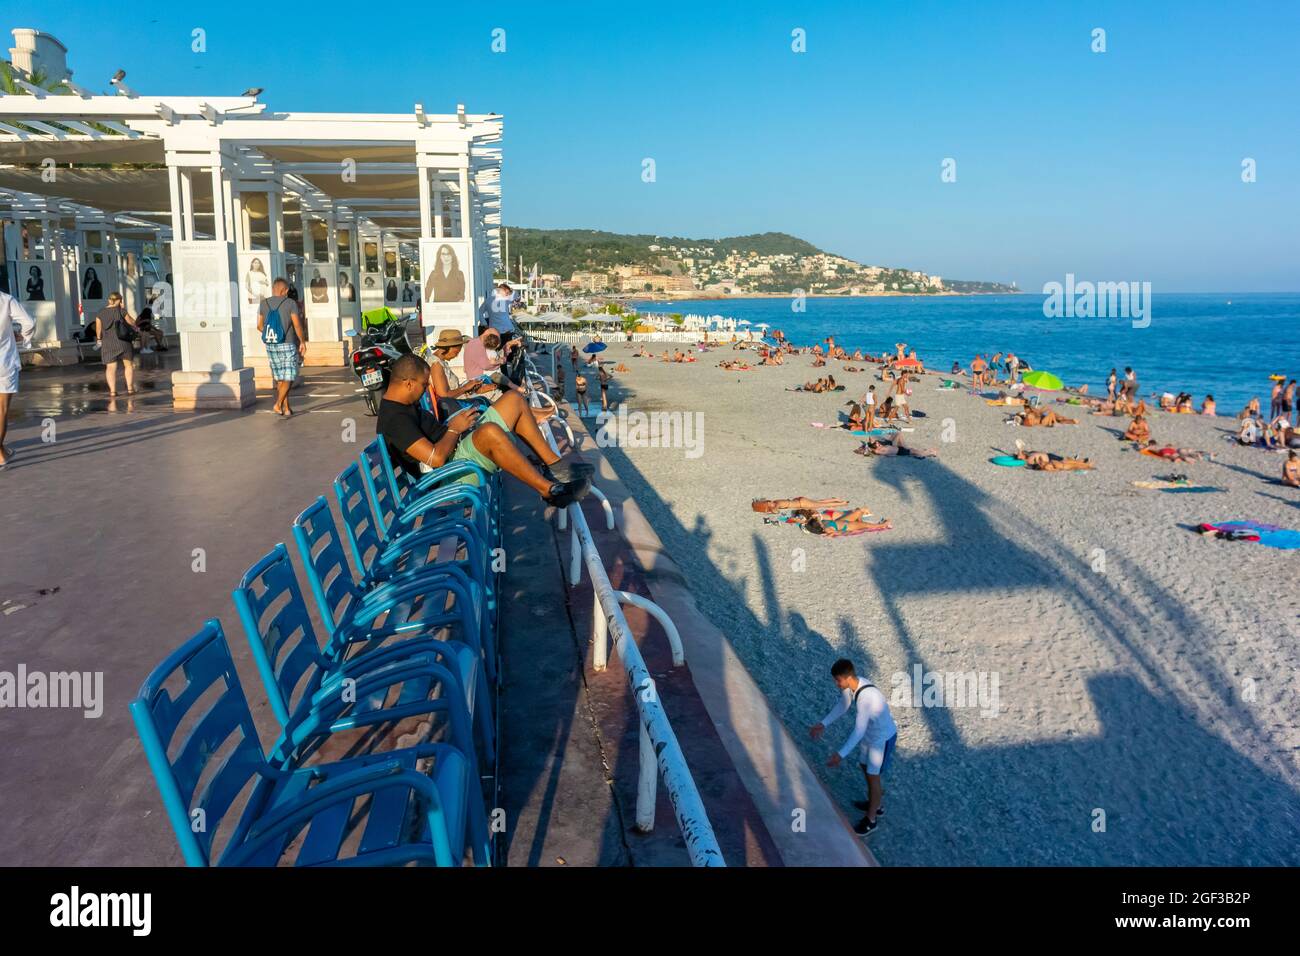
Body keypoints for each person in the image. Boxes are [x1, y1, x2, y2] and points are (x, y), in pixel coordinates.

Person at [376, 353, 590, 506]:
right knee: (489, 432)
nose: (425, 391)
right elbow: (435, 459)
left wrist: (458, 425)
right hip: (446, 478)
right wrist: (454, 429)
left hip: (456, 449)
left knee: (514, 399)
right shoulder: (395, 419)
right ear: (408, 383)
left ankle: (555, 466)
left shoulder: (403, 405)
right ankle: (549, 492)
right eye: (423, 385)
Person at [810, 659, 898, 835]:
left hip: (882, 738)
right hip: (871, 735)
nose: (836, 684)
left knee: (873, 777)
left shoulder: (865, 697)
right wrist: (823, 723)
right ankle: (876, 803)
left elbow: (858, 730)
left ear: (847, 677)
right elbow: (844, 705)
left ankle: (871, 820)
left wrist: (840, 754)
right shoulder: (853, 685)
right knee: (865, 767)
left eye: (838, 680)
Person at [257, 277, 306, 417]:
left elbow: (259, 326)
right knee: (289, 377)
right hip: (287, 344)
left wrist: (273, 334)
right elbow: (297, 325)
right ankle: (278, 404)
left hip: (271, 345)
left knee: (280, 378)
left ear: (273, 289)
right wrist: (302, 341)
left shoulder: (263, 303)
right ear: (285, 290)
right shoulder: (290, 303)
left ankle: (286, 408)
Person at [0, 289, 36, 468]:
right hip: (4, 362)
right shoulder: (5, 300)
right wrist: (24, 337)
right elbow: (28, 322)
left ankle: (1, 453)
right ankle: (0, 454)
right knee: (1, 409)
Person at [95, 293, 139, 397]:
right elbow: (132, 322)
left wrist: (98, 339)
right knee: (128, 365)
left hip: (108, 343)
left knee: (110, 368)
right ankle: (130, 389)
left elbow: (98, 328)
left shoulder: (100, 313)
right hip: (123, 342)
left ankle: (113, 391)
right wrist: (124, 310)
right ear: (119, 300)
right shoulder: (121, 311)